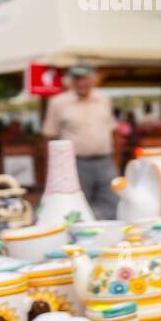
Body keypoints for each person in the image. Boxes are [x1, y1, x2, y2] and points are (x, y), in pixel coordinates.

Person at [43, 65, 118, 218]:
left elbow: (112, 130)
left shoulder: (104, 99)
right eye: (77, 79)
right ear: (71, 81)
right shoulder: (58, 102)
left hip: (105, 161)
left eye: (85, 78)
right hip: (74, 162)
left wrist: (116, 159)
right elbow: (49, 135)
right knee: (78, 206)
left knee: (111, 202)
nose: (81, 83)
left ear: (94, 80)